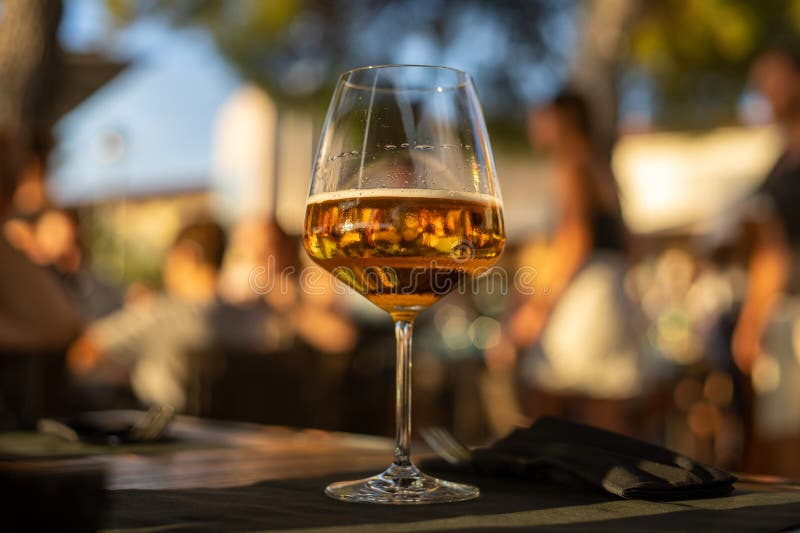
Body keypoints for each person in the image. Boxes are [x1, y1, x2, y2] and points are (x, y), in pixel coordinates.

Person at [490, 90, 640, 434]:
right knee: (603, 404)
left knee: (548, 400)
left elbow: (574, 239)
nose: (534, 124)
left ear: (562, 121)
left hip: (584, 293)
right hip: (609, 289)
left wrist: (537, 306)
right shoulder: (600, 164)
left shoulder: (572, 162)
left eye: (541, 117)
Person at [732, 46, 800, 474]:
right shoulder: (781, 160)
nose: (762, 90)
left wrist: (751, 322)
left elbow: (773, 253)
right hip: (789, 311)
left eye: (770, 78)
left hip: (792, 314)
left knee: (786, 442)